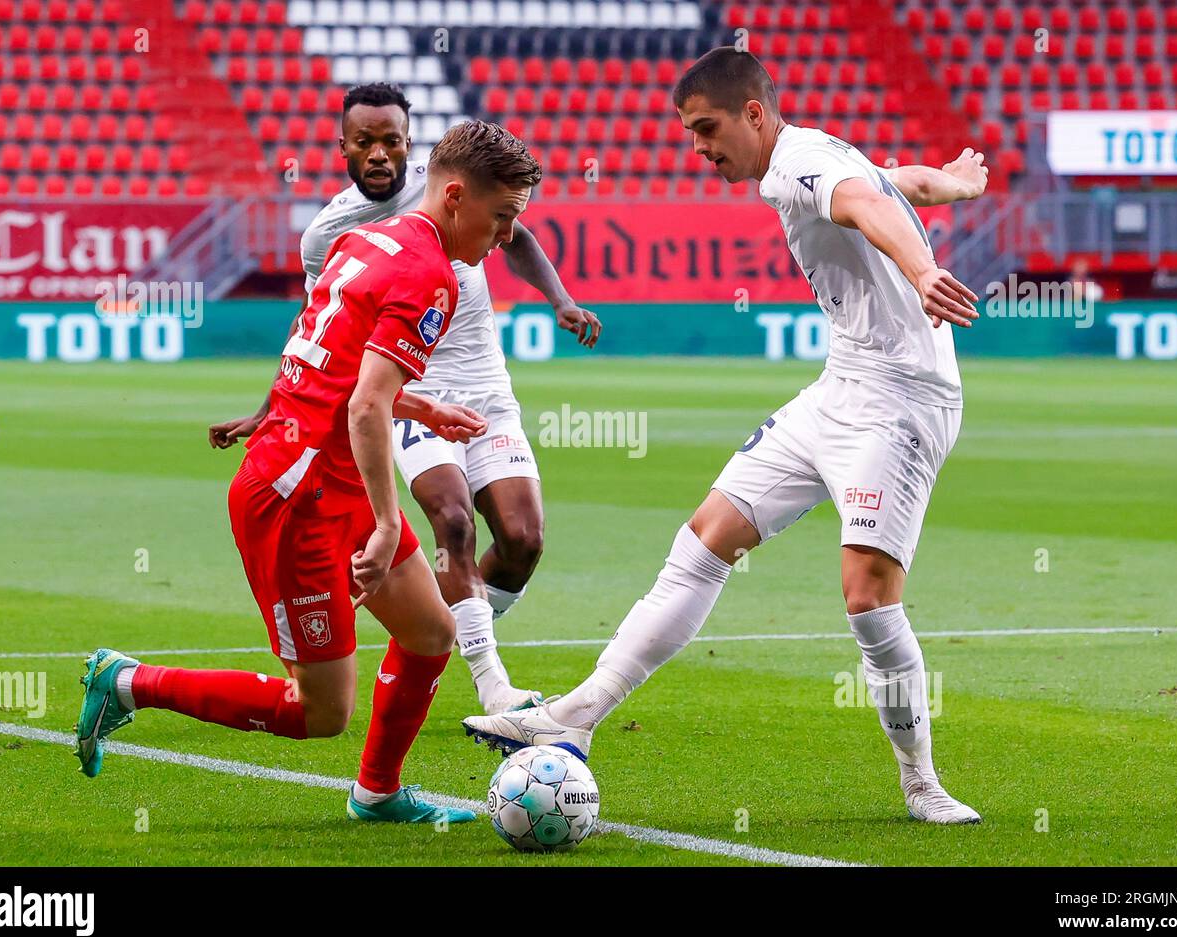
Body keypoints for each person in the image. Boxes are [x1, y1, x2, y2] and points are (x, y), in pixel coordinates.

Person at [463, 48, 989, 824]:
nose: (699, 146)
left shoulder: (796, 163)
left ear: (753, 114)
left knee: (868, 599)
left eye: (707, 128)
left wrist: (918, 272)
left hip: (902, 405)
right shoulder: (810, 155)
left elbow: (867, 207)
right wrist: (952, 183)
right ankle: (577, 715)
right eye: (688, 132)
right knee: (707, 538)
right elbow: (894, 184)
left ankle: (922, 781)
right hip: (840, 387)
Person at [77, 120, 542, 824]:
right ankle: (131, 683)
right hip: (294, 498)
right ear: (454, 196)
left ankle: (377, 794)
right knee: (319, 711)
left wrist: (418, 403)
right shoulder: (431, 275)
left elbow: (338, 363)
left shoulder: (370, 240)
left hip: (331, 474)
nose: (505, 236)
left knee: (429, 634)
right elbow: (363, 409)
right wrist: (389, 524)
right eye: (501, 217)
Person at [211, 83, 601, 715]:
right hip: (400, 388)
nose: (380, 154)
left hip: (483, 389)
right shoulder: (330, 233)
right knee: (452, 521)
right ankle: (487, 677)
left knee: (524, 539)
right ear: (342, 146)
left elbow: (518, 235)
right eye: (364, 142)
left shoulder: (459, 189)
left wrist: (560, 300)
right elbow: (321, 323)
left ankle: (451, 633)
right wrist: (270, 409)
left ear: (409, 143)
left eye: (392, 140)